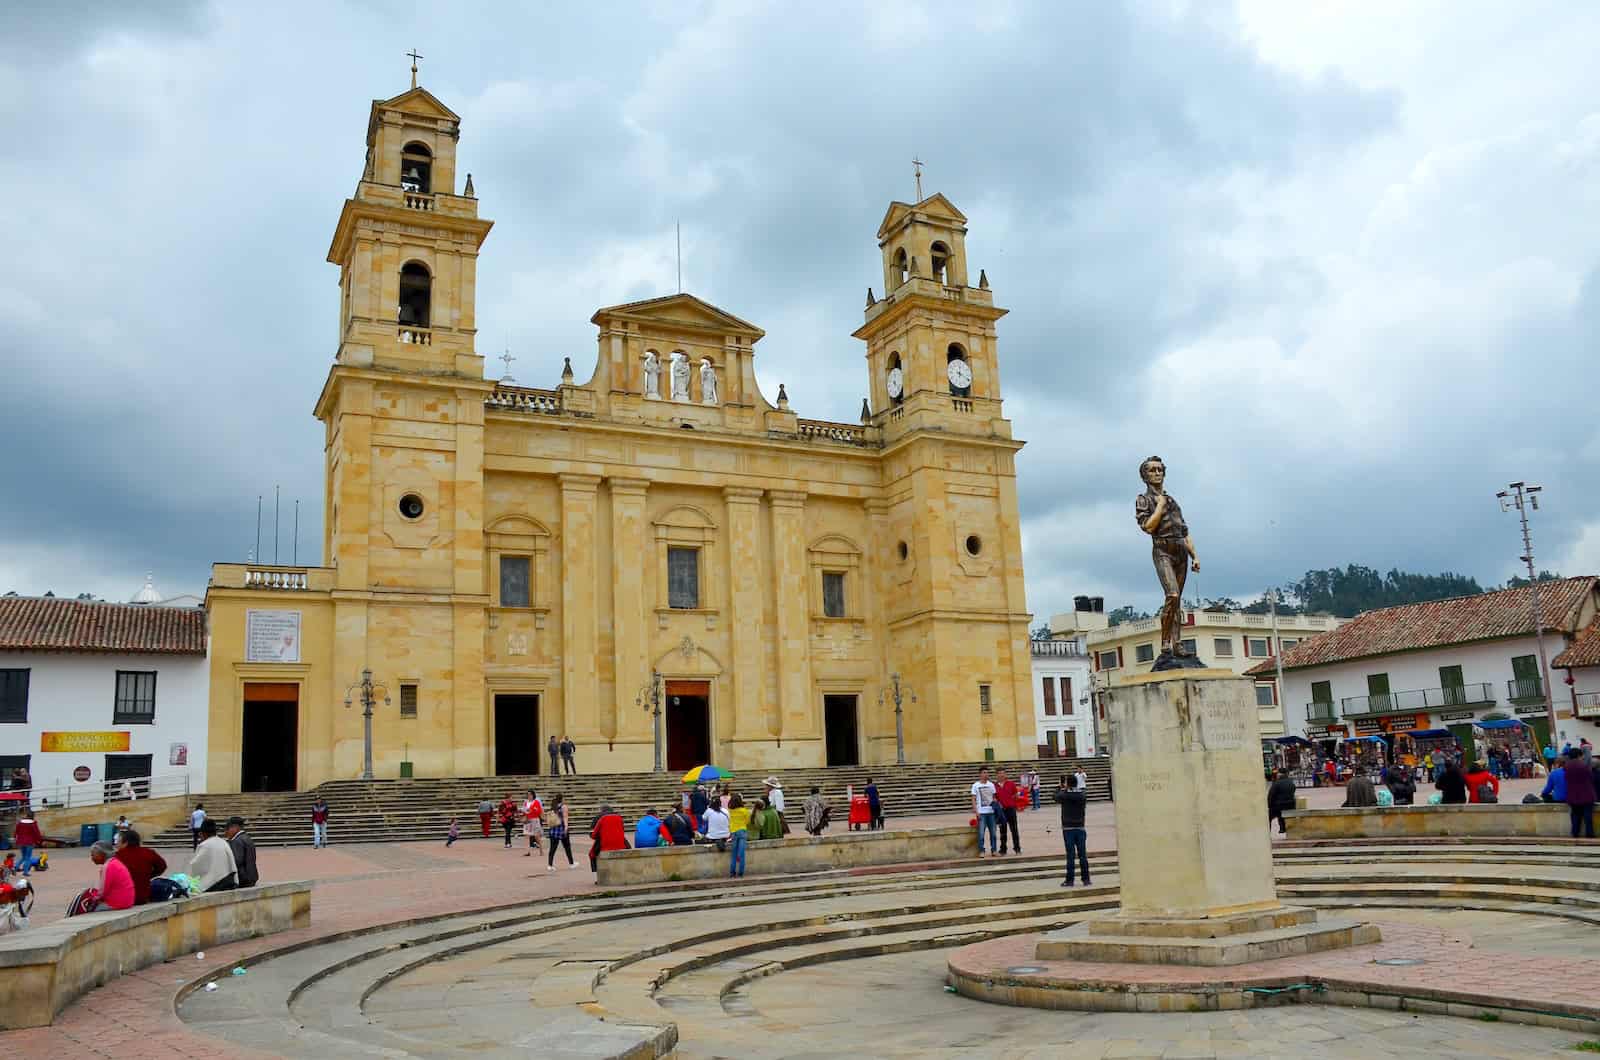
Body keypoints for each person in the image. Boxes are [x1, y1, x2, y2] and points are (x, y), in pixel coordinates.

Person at [66, 841, 135, 917]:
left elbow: (102, 892)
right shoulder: (116, 862)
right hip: (127, 901)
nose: (92, 858)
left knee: (84, 907)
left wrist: (92, 899)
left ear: (102, 854)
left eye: (93, 855)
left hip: (117, 904)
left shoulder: (108, 866)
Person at [111, 828, 165, 906]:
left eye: (118, 841)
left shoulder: (117, 856)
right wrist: (148, 876)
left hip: (124, 899)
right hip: (143, 898)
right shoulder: (148, 852)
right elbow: (162, 866)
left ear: (125, 843)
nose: (116, 844)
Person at [1054, 774, 1090, 887]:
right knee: (1082, 855)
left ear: (1067, 784)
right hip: (1080, 827)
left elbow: (1055, 797)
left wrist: (1060, 787)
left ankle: (1070, 880)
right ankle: (1086, 879)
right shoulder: (1082, 795)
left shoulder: (1064, 795)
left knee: (1070, 855)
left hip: (1068, 828)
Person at [188, 819, 238, 893]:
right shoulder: (224, 842)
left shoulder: (205, 845)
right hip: (228, 880)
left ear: (203, 833)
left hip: (214, 884)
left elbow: (196, 865)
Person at [1563, 748, 1597, 838]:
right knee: (1587, 817)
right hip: (1586, 795)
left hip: (1572, 795)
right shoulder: (1584, 766)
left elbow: (1566, 779)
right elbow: (1591, 778)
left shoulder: (1566, 767)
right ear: (1579, 755)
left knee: (1575, 816)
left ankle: (1575, 833)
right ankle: (1589, 835)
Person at [588, 803, 628, 872]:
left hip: (605, 842)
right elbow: (622, 830)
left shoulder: (599, 817)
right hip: (620, 841)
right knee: (629, 850)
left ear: (601, 810)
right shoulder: (619, 817)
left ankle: (598, 873)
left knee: (592, 854)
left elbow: (593, 834)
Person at [971, 767, 999, 857]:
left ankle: (994, 850)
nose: (986, 774)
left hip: (991, 812)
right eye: (984, 772)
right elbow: (973, 799)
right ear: (980, 774)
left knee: (993, 833)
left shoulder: (991, 785)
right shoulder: (976, 785)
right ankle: (981, 850)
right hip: (981, 812)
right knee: (981, 833)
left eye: (987, 772)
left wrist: (996, 807)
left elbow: (994, 797)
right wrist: (976, 811)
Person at [224, 816, 259, 888]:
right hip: (252, 877)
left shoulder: (237, 841)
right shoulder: (247, 837)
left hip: (243, 879)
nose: (226, 832)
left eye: (228, 828)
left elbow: (236, 861)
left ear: (236, 827)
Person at [994, 768, 1021, 855]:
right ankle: (1003, 849)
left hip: (1011, 810)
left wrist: (1012, 801)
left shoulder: (1011, 784)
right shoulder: (994, 786)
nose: (1001, 775)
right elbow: (994, 798)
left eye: (1003, 773)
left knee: (1014, 830)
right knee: (1003, 830)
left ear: (1005, 775)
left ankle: (1017, 849)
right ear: (997, 775)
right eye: (999, 773)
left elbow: (1016, 795)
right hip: (1001, 811)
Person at [546, 794, 575, 870]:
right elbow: (565, 818)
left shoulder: (553, 806)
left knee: (552, 848)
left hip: (553, 830)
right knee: (567, 847)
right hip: (561, 830)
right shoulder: (563, 807)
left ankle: (550, 865)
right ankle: (571, 863)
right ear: (562, 799)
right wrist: (566, 827)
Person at [727, 793, 751, 878]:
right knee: (741, 854)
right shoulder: (744, 811)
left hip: (733, 832)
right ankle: (740, 872)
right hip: (742, 831)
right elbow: (748, 821)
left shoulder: (730, 811)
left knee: (734, 853)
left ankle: (732, 872)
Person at [1266, 769, 1297, 835]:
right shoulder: (1291, 782)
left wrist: (1269, 805)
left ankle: (1267, 833)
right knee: (1280, 813)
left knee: (1267, 817)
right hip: (1291, 805)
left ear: (1280, 774)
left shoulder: (1276, 783)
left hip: (1279, 806)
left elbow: (1271, 796)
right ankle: (1282, 828)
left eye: (1277, 773)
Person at [522, 789, 544, 857]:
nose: (529, 796)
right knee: (526, 835)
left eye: (530, 794)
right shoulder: (525, 802)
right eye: (527, 794)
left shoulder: (536, 802)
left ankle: (541, 850)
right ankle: (527, 851)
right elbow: (523, 810)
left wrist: (532, 810)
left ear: (533, 795)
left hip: (535, 819)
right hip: (528, 819)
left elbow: (539, 811)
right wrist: (524, 811)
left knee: (537, 836)